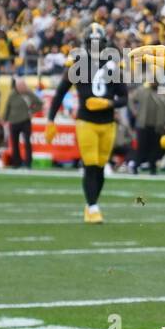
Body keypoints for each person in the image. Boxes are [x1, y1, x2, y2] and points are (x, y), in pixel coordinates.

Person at [46, 23, 128, 224]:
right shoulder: (78, 64)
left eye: (98, 43)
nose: (95, 46)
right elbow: (60, 93)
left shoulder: (111, 65)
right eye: (92, 43)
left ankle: (91, 205)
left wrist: (108, 102)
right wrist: (50, 119)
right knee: (90, 165)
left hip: (108, 123)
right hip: (86, 122)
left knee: (100, 167)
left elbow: (124, 98)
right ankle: (93, 206)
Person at [2, 78, 42, 169]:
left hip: (25, 120)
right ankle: (17, 163)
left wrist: (32, 111)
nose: (22, 88)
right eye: (20, 86)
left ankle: (28, 163)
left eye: (23, 86)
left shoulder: (28, 93)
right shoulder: (12, 95)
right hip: (13, 121)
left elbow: (39, 103)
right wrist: (5, 118)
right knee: (14, 143)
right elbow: (7, 107)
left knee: (27, 142)